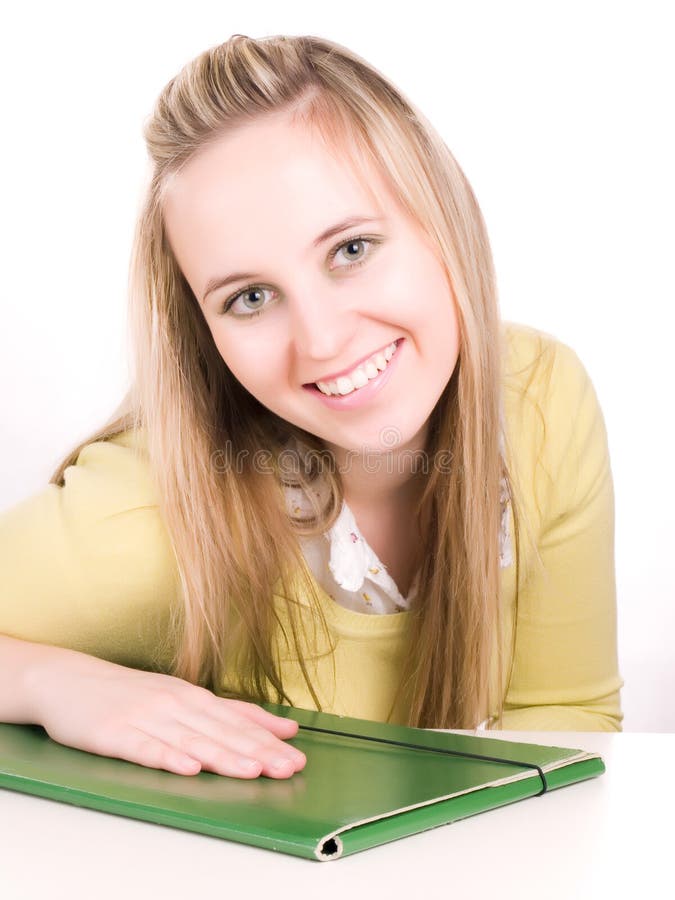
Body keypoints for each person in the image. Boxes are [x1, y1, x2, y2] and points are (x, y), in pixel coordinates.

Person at [0, 33, 623, 781]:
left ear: (442, 219)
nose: (323, 341)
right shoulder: (150, 510)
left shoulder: (539, 401)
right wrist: (51, 683)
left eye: (351, 250)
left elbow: (567, 731)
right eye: (250, 298)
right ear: (206, 333)